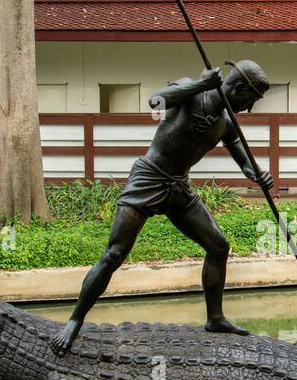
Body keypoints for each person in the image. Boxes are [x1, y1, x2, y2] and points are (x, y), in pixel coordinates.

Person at [50, 61, 273, 355]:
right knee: (114, 253)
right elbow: (156, 100)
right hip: (149, 177)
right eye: (251, 99)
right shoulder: (191, 92)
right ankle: (75, 321)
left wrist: (257, 173)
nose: (249, 108)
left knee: (218, 246)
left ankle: (215, 318)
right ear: (240, 87)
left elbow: (244, 160)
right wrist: (200, 84)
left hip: (178, 187)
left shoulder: (226, 122)